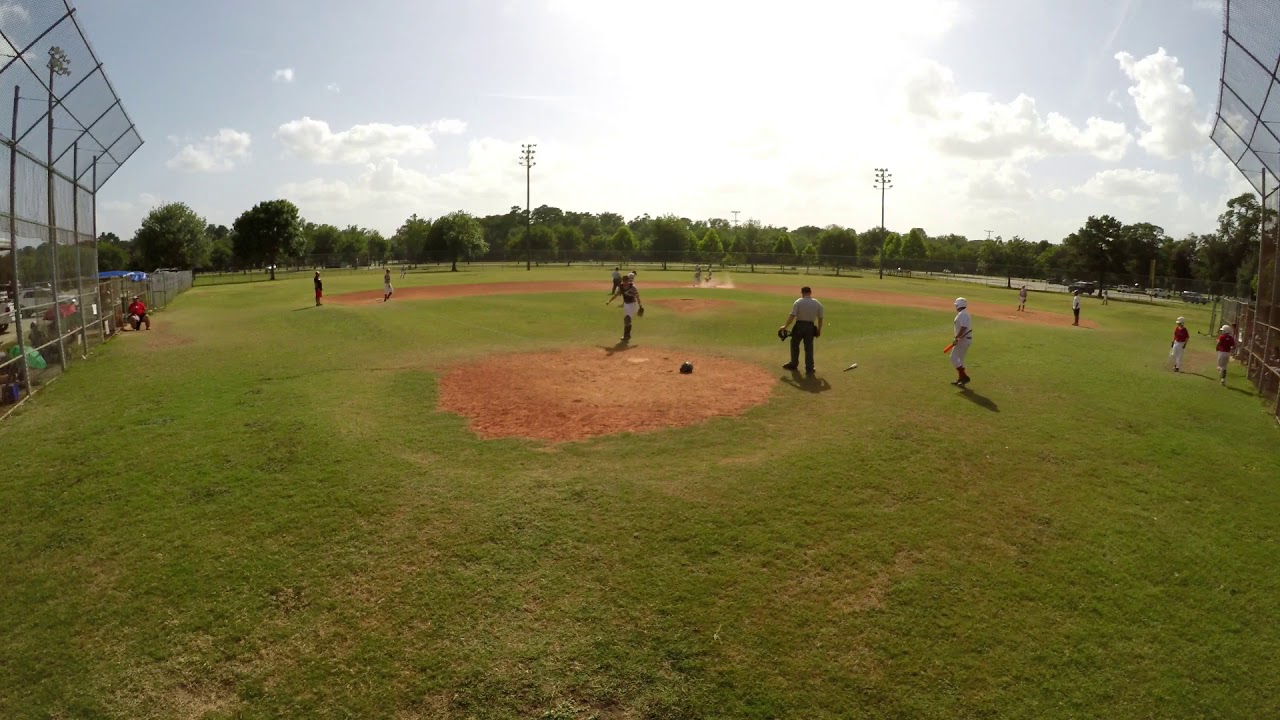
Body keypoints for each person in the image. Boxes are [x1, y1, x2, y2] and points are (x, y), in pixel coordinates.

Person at [779, 286, 823, 375]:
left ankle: (794, 363)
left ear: (802, 293)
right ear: (810, 292)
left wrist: (785, 326)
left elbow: (792, 315)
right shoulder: (817, 304)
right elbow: (820, 318)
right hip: (810, 327)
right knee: (809, 347)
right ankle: (810, 368)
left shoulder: (798, 302)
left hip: (799, 325)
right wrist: (818, 330)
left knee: (794, 344)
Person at [605, 274, 644, 344]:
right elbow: (616, 295)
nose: (625, 283)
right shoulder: (621, 287)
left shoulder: (633, 287)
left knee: (627, 319)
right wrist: (609, 301)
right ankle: (627, 335)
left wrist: (640, 305)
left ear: (628, 281)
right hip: (626, 305)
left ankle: (626, 336)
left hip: (632, 304)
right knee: (626, 320)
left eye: (626, 281)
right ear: (622, 281)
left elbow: (637, 297)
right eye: (624, 281)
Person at [950, 297, 973, 387]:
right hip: (964, 339)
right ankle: (961, 379)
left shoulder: (962, 314)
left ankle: (964, 377)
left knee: (953, 358)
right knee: (960, 360)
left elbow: (963, 327)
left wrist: (957, 338)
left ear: (959, 305)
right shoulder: (964, 313)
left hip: (963, 340)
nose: (955, 306)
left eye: (956, 305)